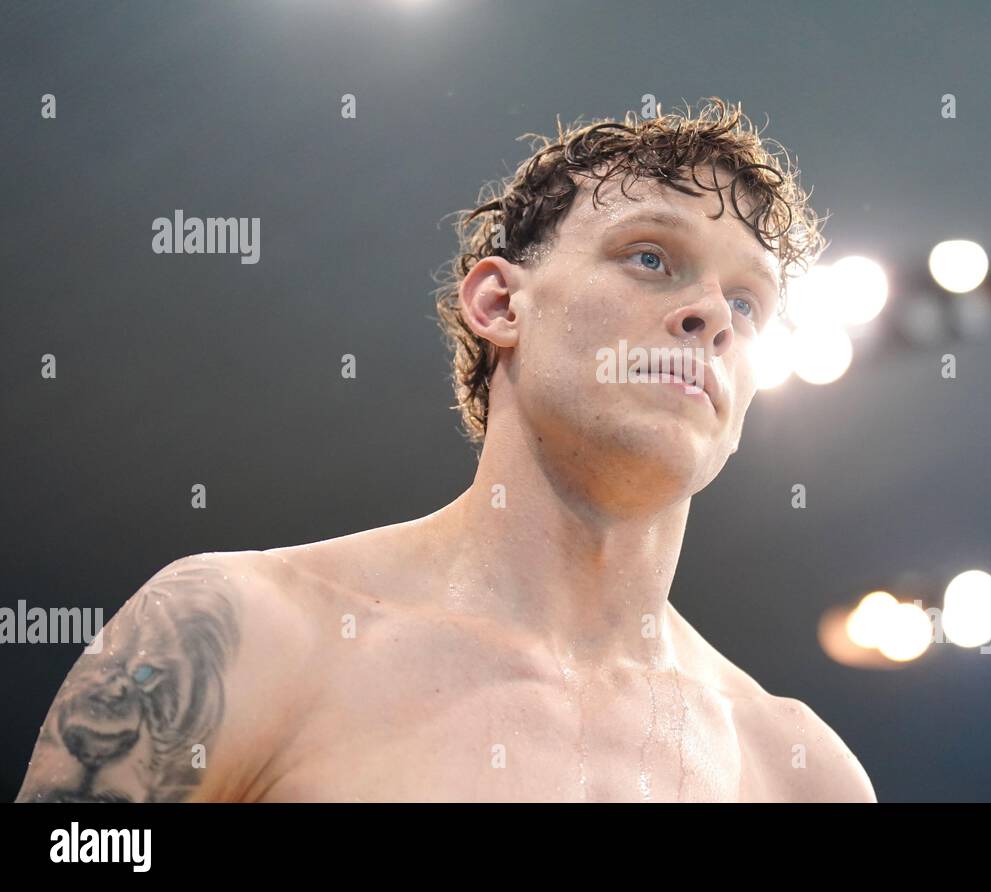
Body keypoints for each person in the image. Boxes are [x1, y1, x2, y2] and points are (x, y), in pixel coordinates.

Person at [16, 98, 877, 802]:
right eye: (651, 257)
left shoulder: (801, 775)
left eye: (750, 303)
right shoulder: (238, 630)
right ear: (501, 303)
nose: (713, 319)